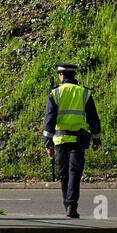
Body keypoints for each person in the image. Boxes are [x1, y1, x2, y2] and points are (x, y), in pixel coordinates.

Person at [43, 61, 101, 218]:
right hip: (79, 140)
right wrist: (96, 138)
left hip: (61, 140)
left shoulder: (55, 93)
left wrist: (47, 142)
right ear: (73, 75)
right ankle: (72, 206)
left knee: (64, 174)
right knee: (74, 172)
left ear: (61, 75)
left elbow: (50, 118)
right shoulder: (84, 93)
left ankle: (67, 204)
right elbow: (93, 118)